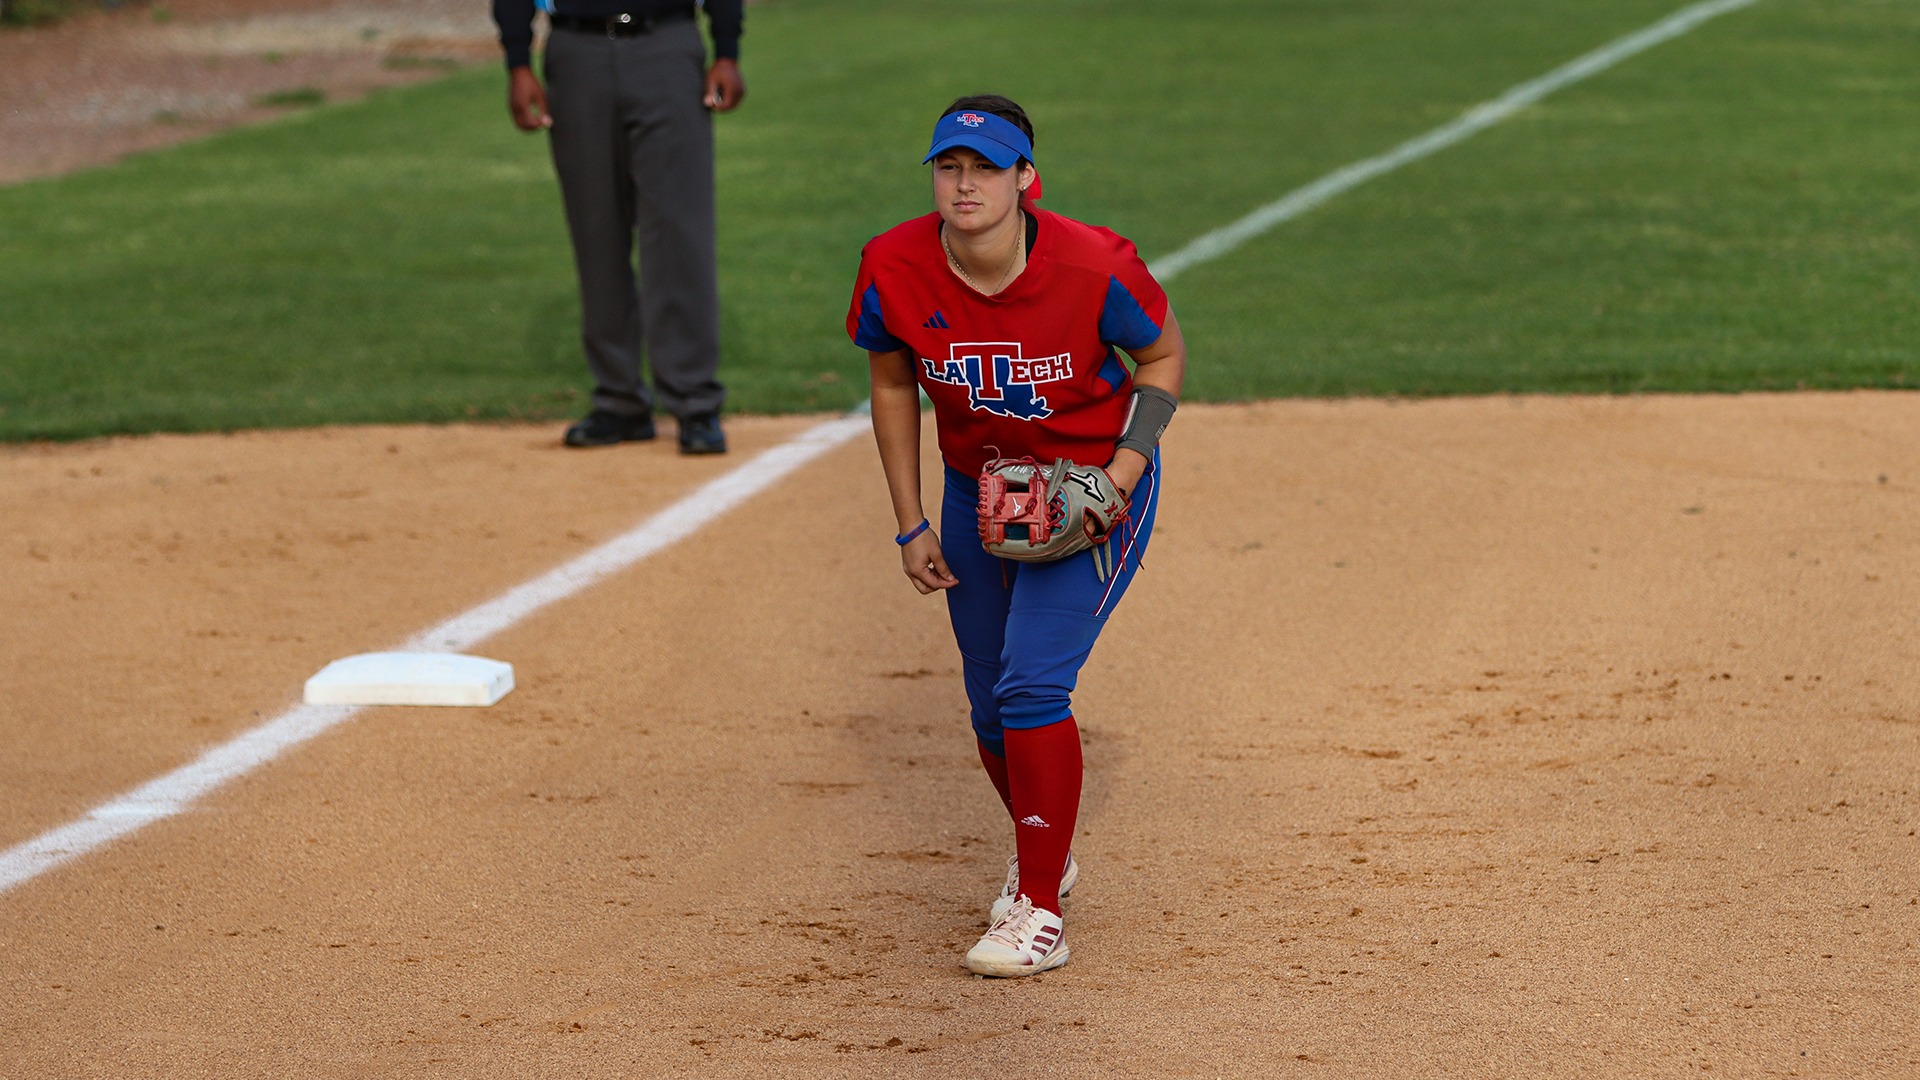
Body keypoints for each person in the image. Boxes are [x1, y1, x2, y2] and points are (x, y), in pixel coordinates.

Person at [847, 95, 1186, 977]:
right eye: (949, 168)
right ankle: (1047, 853)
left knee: (1033, 682)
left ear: (1025, 179)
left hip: (1092, 488)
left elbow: (1162, 356)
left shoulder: (1094, 264)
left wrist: (1121, 476)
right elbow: (893, 385)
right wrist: (911, 521)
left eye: (987, 169)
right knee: (991, 702)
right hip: (978, 493)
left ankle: (1039, 910)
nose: (965, 185)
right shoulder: (891, 266)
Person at [492, 0, 744, 454]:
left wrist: (727, 49)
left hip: (667, 42)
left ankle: (694, 399)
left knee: (679, 231)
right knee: (595, 229)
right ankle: (618, 399)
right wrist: (517, 61)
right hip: (575, 50)